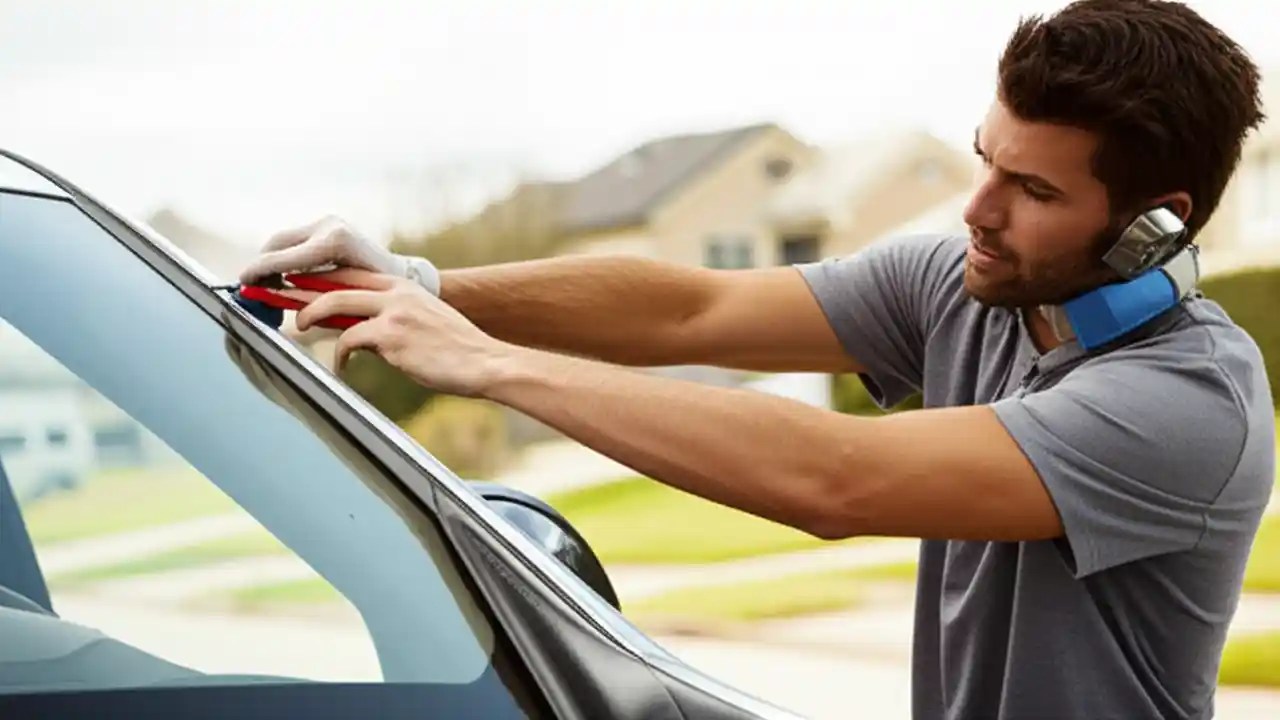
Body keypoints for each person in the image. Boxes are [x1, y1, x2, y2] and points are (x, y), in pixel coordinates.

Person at [240, 1, 1275, 717]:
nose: (978, 210)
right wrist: (427, 285)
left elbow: (836, 479)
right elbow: (688, 310)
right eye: (982, 159)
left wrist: (489, 364)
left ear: (1152, 224)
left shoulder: (1186, 406)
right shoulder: (962, 288)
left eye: (1034, 192)